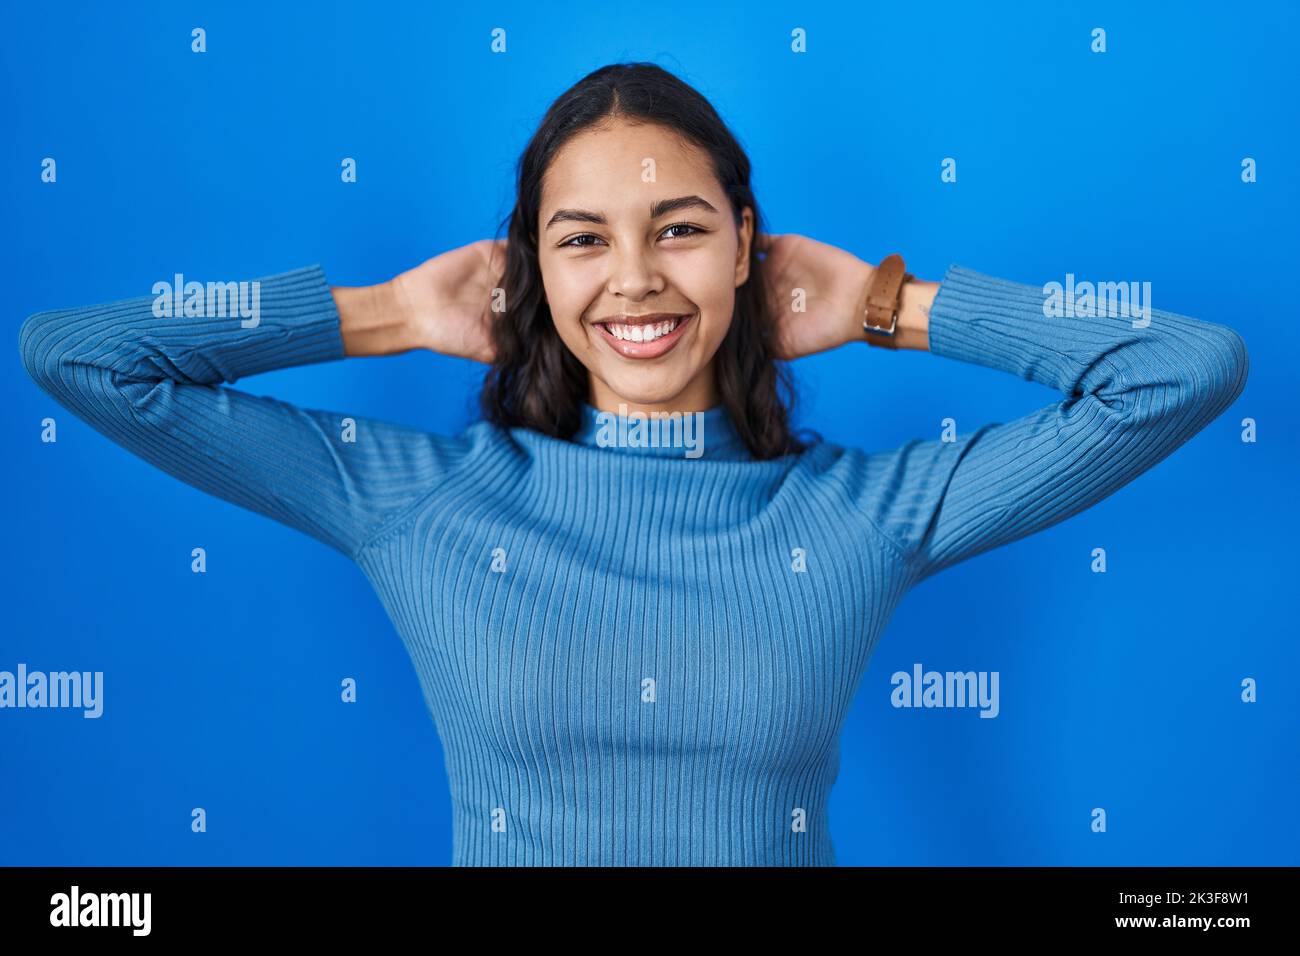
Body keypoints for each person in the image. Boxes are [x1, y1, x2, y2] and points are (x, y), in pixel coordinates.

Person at [18, 62, 1249, 866]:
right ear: (530, 273)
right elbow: (78, 357)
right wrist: (380, 313)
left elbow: (1182, 371)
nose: (636, 279)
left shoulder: (864, 509)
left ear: (746, 250)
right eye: (581, 240)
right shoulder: (419, 499)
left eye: (679, 230)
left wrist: (893, 301)